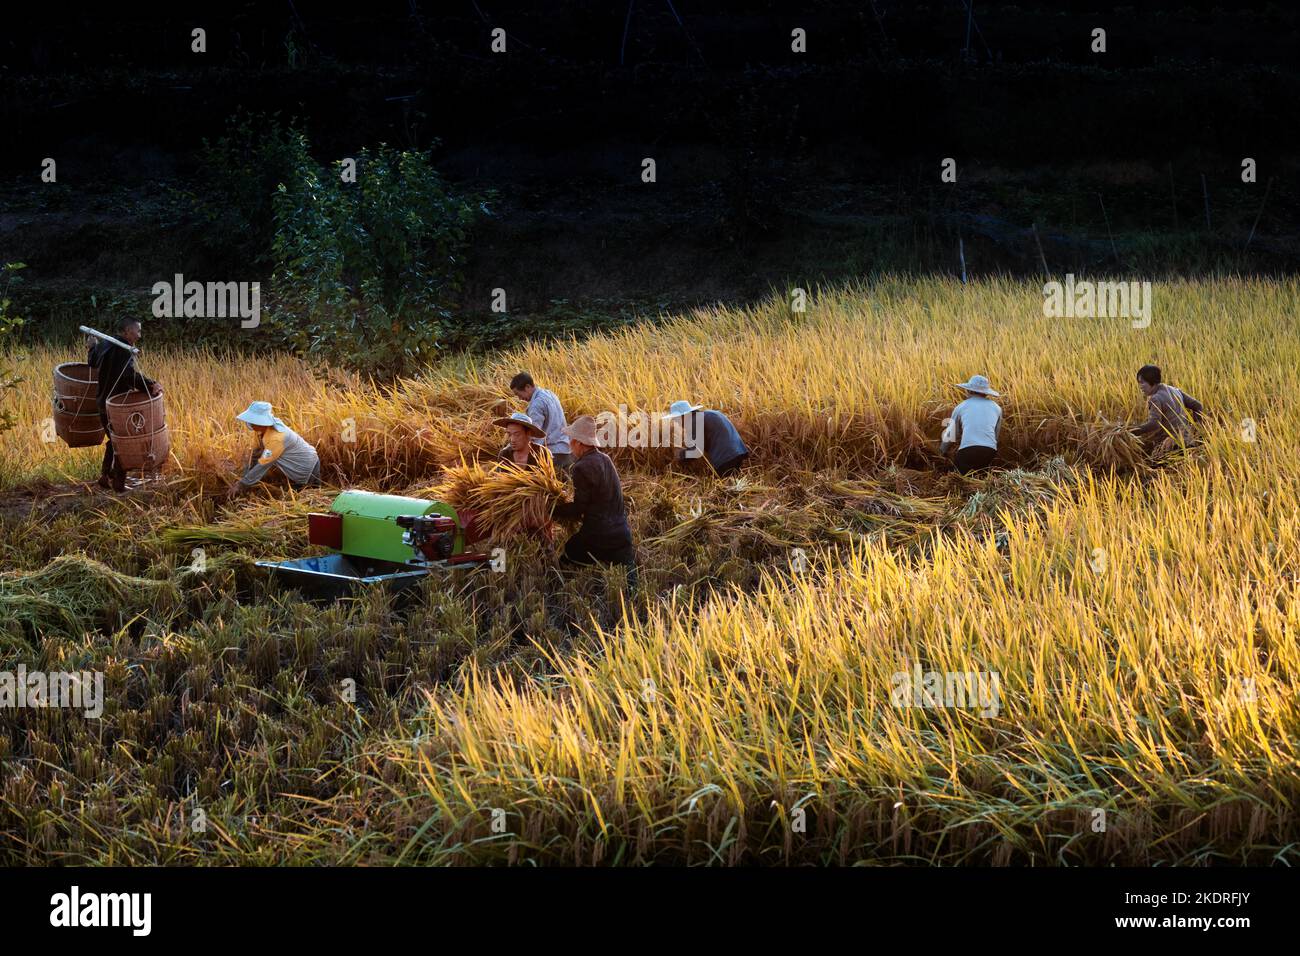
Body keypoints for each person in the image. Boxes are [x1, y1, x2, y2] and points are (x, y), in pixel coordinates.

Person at [552, 415, 636, 585]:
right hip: (622, 534)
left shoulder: (581, 467)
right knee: (631, 583)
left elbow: (579, 508)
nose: (569, 444)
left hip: (599, 535)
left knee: (568, 555)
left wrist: (552, 509)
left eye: (571, 440)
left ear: (580, 443)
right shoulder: (605, 459)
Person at [91, 319, 161, 492]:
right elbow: (128, 376)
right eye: (138, 331)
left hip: (102, 403)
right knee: (122, 443)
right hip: (117, 406)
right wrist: (151, 384)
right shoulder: (123, 351)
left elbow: (92, 361)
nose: (139, 335)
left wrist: (92, 346)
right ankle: (118, 485)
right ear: (127, 331)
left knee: (114, 440)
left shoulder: (105, 344)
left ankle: (106, 475)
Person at [227, 401, 321, 499]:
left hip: (306, 466)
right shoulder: (272, 426)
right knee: (311, 497)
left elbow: (262, 465)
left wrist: (242, 484)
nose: (250, 424)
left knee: (308, 499)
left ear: (260, 422)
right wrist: (244, 475)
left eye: (252, 421)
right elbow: (257, 454)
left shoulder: (276, 439)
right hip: (310, 458)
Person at [663, 400, 750, 476]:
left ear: (683, 416)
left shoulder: (695, 421)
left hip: (725, 457)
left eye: (676, 419)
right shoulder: (708, 414)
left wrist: (681, 456)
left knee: (724, 488)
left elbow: (697, 451)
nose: (677, 423)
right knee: (733, 482)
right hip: (738, 452)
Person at [1131, 364, 1204, 455]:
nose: (1140, 386)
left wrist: (1132, 431)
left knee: (1153, 464)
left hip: (1171, 445)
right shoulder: (1175, 390)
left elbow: (1154, 424)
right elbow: (1198, 405)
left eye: (1142, 382)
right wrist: (1196, 428)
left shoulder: (1155, 399)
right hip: (1187, 440)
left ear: (1152, 381)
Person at [509, 372, 572, 472]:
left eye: (518, 394)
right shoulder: (549, 394)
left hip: (552, 454)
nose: (520, 398)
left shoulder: (536, 405)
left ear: (528, 387)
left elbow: (534, 433)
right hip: (566, 449)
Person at [940, 374, 1003, 475]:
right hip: (990, 451)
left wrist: (942, 451)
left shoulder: (961, 407)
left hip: (968, 450)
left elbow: (950, 435)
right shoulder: (997, 408)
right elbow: (995, 436)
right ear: (986, 393)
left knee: (957, 477)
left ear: (969, 391)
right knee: (981, 476)